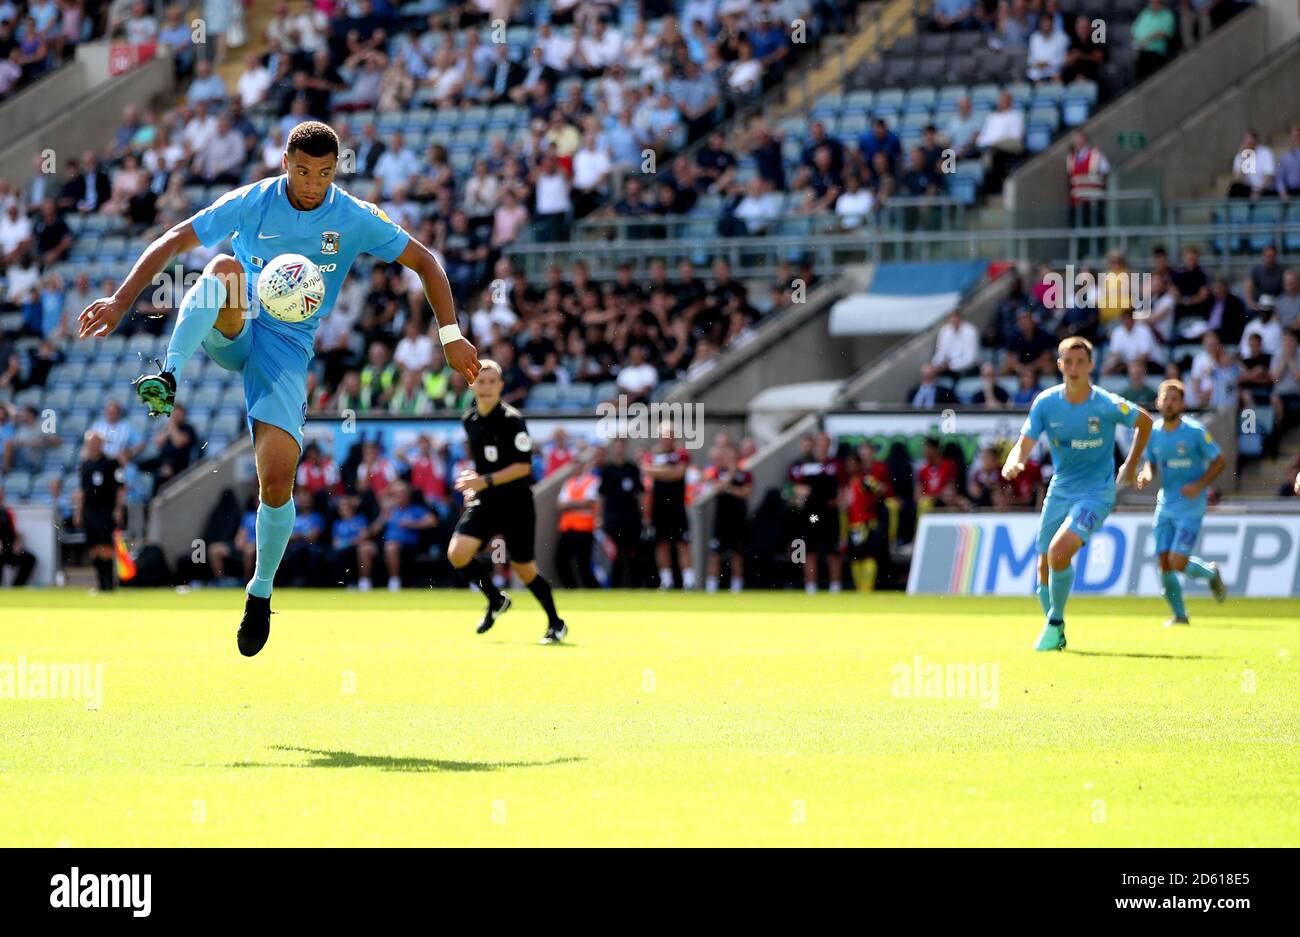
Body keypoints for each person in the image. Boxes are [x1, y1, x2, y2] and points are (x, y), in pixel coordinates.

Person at [78, 120, 481, 657]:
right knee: (222, 266)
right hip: (236, 323)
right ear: (285, 163)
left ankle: (260, 592)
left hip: (287, 351)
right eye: (302, 170)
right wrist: (121, 301)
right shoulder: (253, 201)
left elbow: (426, 262)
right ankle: (167, 374)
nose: (313, 183)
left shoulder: (355, 218)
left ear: (336, 170)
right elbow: (176, 238)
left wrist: (450, 334)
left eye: (325, 173)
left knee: (275, 481)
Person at [1002, 336, 1153, 650]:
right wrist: (1014, 461)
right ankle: (1056, 631)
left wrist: (1131, 463)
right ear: (1059, 365)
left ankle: (1055, 623)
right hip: (1060, 490)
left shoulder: (1107, 403)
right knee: (1043, 565)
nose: (1073, 368)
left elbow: (1145, 422)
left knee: (1058, 553)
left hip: (1097, 493)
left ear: (1091, 366)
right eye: (1067, 362)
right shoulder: (1046, 403)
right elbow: (1025, 443)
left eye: (1080, 362)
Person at [448, 360, 568, 644]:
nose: (486, 386)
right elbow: (482, 463)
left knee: (523, 568)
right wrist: (474, 484)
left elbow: (523, 467)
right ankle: (495, 598)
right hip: (487, 500)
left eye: (492, 381)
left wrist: (483, 481)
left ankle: (556, 623)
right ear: (472, 385)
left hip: (516, 503)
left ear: (501, 386)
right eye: (481, 381)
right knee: (457, 553)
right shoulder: (470, 420)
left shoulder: (512, 420)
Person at [1136, 380, 1227, 625]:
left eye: (1174, 399)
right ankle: (1180, 615)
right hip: (1165, 504)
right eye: (1165, 398)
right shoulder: (1153, 434)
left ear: (1182, 404)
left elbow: (1219, 460)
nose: (1169, 403)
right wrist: (1145, 476)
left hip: (1191, 505)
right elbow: (1152, 464)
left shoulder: (1195, 432)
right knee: (1164, 563)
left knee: (1178, 562)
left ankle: (1210, 573)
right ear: (1158, 402)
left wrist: (1200, 485)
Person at [788, 432, 844, 594]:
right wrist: (799, 492)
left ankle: (835, 587)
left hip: (830, 512)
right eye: (819, 443)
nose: (822, 447)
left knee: (833, 551)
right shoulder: (803, 465)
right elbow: (792, 487)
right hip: (811, 514)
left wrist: (840, 501)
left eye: (825, 443)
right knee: (810, 550)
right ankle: (811, 587)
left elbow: (842, 486)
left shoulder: (835, 465)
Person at [643, 423, 694, 590]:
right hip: (659, 507)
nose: (667, 439)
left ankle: (688, 581)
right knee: (661, 543)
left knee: (682, 543)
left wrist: (658, 471)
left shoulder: (681, 454)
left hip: (677, 506)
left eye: (670, 435)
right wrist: (667, 471)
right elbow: (646, 469)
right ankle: (666, 581)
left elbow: (678, 473)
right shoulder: (653, 454)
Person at [78, 431, 126, 593]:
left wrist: (118, 509)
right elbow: (82, 491)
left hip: (106, 510)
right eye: (91, 443)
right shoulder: (85, 465)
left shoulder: (112, 463)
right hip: (89, 511)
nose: (94, 446)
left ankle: (109, 584)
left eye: (97, 443)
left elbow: (121, 488)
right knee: (93, 548)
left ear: (102, 444)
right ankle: (100, 584)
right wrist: (78, 512)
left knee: (105, 547)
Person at [705, 442, 752, 594]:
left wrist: (729, 487)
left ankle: (736, 588)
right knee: (715, 555)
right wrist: (729, 478)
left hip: (738, 520)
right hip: (721, 520)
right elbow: (715, 488)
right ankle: (711, 588)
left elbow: (745, 492)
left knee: (736, 555)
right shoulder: (718, 472)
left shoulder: (745, 474)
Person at [598, 437, 644, 587]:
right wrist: (600, 517)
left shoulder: (632, 468)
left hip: (631, 517)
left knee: (632, 551)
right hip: (613, 516)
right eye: (616, 446)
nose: (619, 449)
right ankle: (616, 585)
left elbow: (640, 493)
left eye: (621, 446)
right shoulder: (608, 469)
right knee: (614, 553)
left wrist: (644, 515)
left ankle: (634, 584)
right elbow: (601, 495)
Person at [554, 448, 602, 589]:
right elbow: (560, 505)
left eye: (578, 463)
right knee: (560, 559)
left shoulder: (592, 480)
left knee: (583, 563)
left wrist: (570, 504)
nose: (576, 467)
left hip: (585, 528)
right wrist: (577, 504)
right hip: (568, 528)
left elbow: (590, 502)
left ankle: (592, 589)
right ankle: (571, 588)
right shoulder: (569, 483)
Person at [0, 483, 36, 586]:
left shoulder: (7, 513)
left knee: (30, 559)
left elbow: (14, 532)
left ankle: (16, 587)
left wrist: (17, 542)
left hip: (9, 549)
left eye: (2, 494)